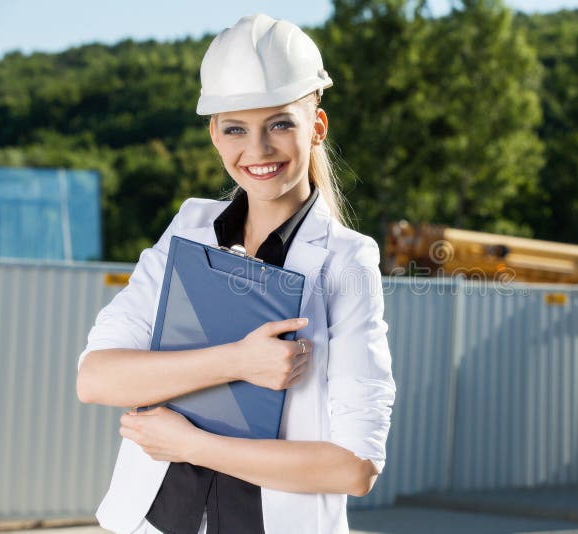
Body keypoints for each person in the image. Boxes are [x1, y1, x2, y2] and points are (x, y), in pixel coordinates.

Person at [76, 14, 395, 534]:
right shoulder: (190, 228)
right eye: (236, 128)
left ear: (316, 127)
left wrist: (191, 445)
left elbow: (354, 467)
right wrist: (239, 361)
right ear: (215, 136)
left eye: (280, 123)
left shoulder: (346, 261)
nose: (259, 150)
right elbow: (96, 378)